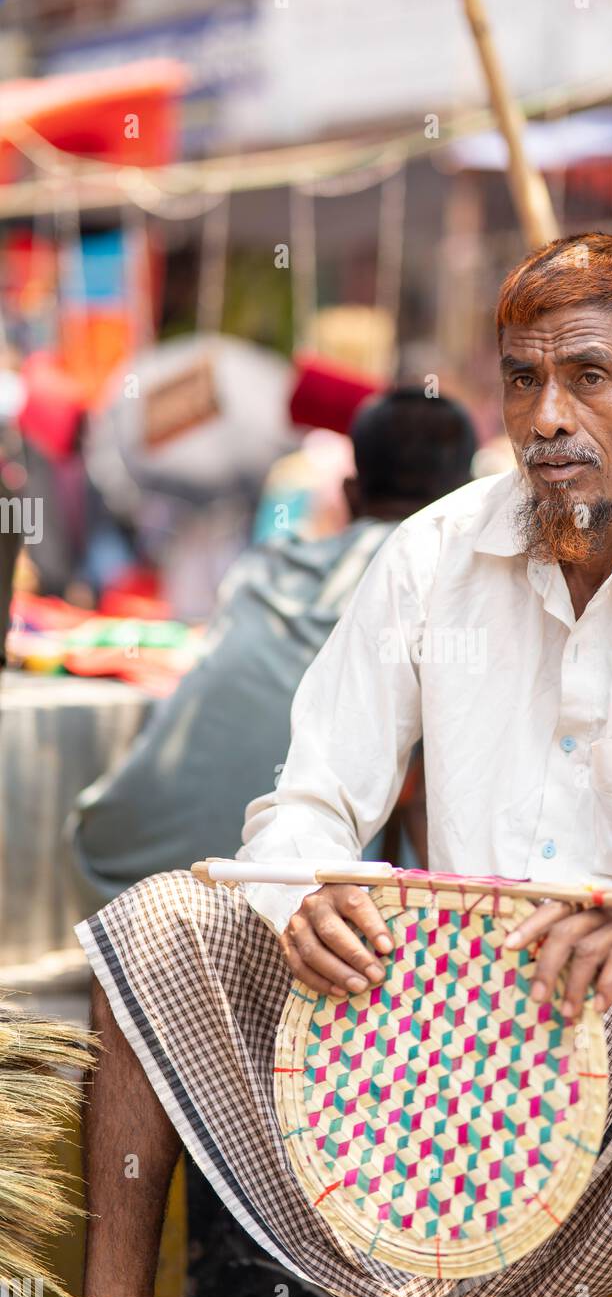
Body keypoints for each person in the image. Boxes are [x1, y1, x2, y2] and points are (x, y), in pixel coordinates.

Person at [76, 233, 612, 1297]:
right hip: (435, 985)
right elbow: (307, 801)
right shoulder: (430, 554)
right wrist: (305, 891)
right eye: (523, 379)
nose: (545, 418)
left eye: (588, 377)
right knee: (155, 925)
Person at [68, 387, 476, 911]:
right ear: (466, 497)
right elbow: (427, 798)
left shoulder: (265, 565)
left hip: (114, 866)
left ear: (351, 493)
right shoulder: (441, 587)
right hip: (272, 890)